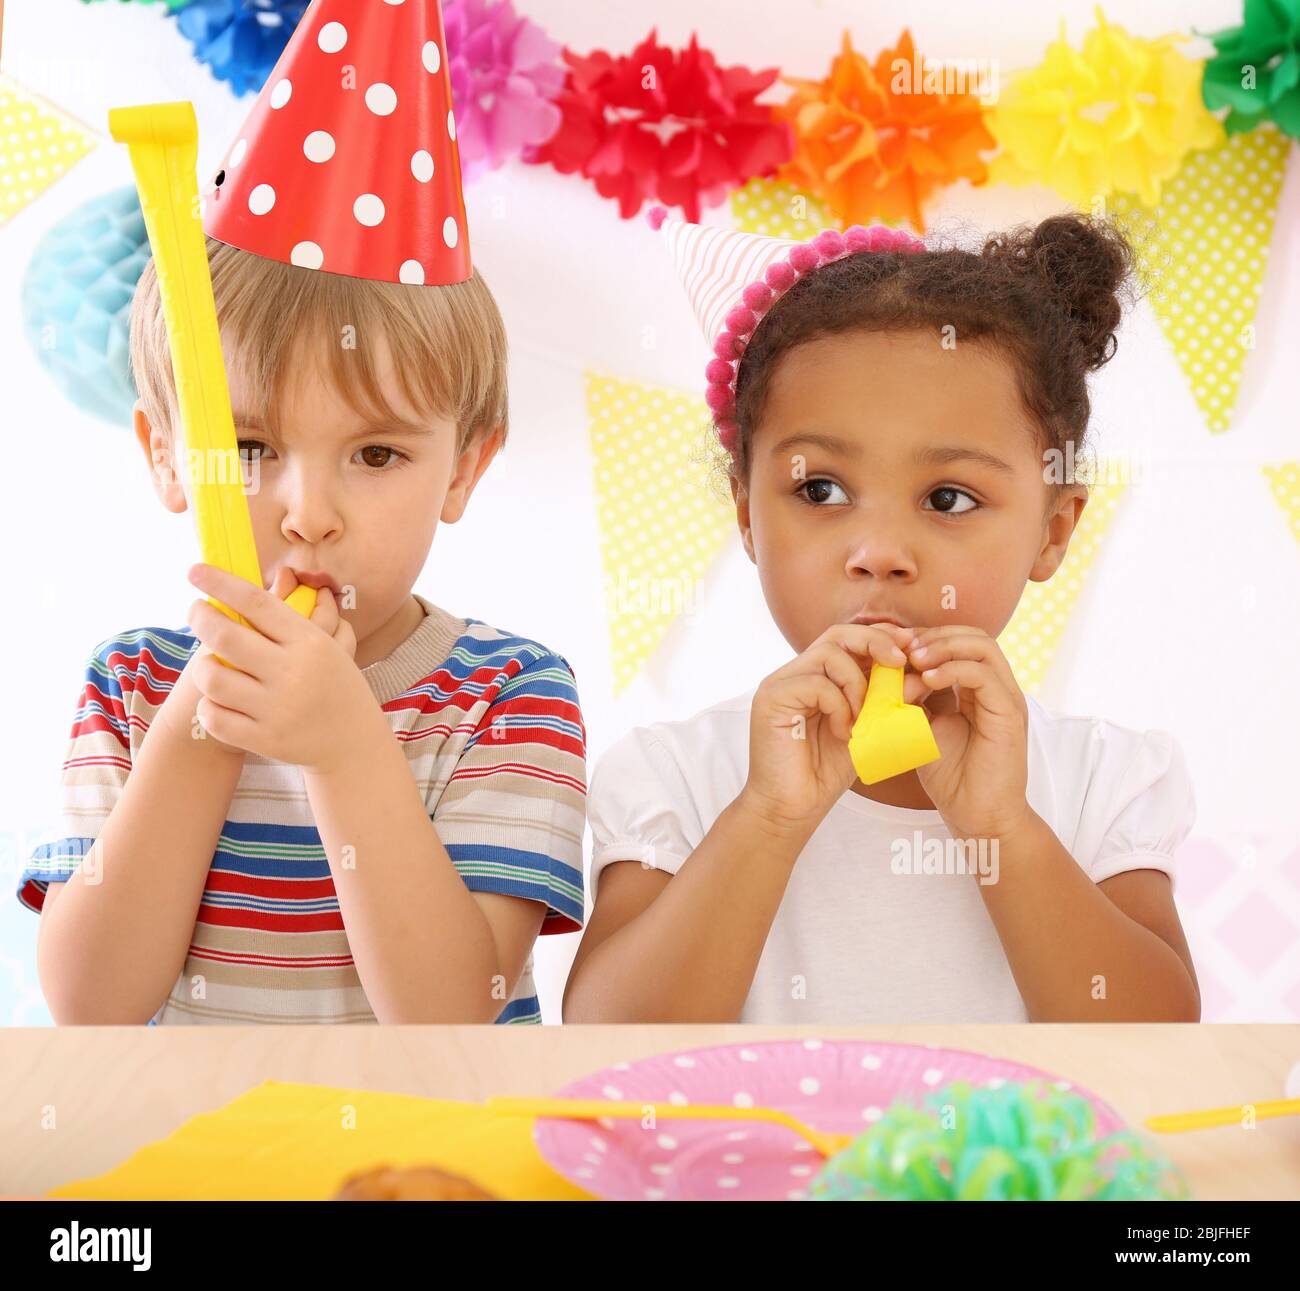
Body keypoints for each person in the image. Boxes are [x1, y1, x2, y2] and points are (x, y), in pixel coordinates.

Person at [19, 0, 586, 1025]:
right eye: (247, 449)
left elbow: (453, 1014)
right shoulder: (136, 686)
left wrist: (343, 743)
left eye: (375, 453)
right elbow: (90, 1005)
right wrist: (204, 717)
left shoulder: (509, 695)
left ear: (465, 470)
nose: (307, 513)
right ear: (164, 457)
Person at [566, 211, 1198, 1025]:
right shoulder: (675, 778)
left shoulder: (1105, 782)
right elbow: (606, 1048)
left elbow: (1159, 1047)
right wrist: (766, 817)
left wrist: (1000, 823)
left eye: (948, 498)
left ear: (1052, 530)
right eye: (819, 489)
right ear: (747, 516)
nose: (880, 552)